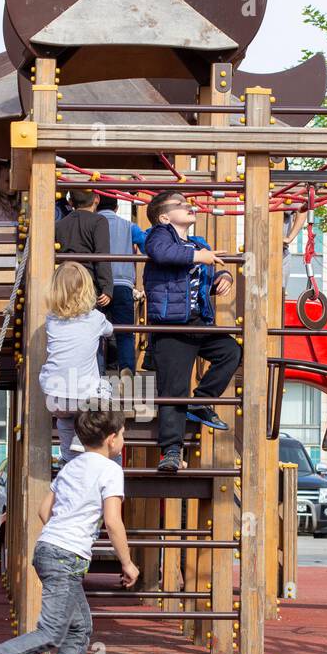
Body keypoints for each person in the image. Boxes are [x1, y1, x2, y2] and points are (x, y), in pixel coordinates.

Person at [0, 409, 138, 654]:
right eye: (122, 435)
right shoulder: (110, 470)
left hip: (49, 548)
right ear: (111, 439)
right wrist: (128, 563)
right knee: (52, 631)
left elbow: (45, 511)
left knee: (79, 628)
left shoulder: (71, 466)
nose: (123, 440)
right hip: (66, 556)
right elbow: (113, 520)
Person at [141, 190, 241, 474]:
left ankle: (200, 401)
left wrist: (223, 276)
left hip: (197, 320)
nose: (189, 206)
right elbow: (163, 254)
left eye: (188, 202)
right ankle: (171, 450)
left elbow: (206, 271)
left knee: (231, 351)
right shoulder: (159, 236)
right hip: (171, 325)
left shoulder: (198, 243)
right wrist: (200, 257)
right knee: (174, 388)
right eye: (180, 204)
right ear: (164, 217)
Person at [39, 262, 115, 462]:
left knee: (65, 418)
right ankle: (79, 438)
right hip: (83, 398)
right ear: (88, 290)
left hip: (53, 395)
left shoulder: (51, 320)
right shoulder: (96, 318)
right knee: (105, 389)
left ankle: (67, 456)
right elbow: (110, 330)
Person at [96, 194, 140, 376]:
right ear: (116, 207)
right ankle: (126, 369)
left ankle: (97, 373)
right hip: (123, 284)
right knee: (125, 332)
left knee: (95, 331)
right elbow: (147, 244)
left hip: (98, 284)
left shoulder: (94, 223)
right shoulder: (129, 226)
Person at [54, 189, 114, 310]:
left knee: (67, 316)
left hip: (65, 278)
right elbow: (101, 255)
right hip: (88, 280)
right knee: (88, 319)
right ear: (97, 199)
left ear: (70, 202)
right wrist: (106, 286)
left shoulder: (59, 225)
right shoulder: (99, 221)